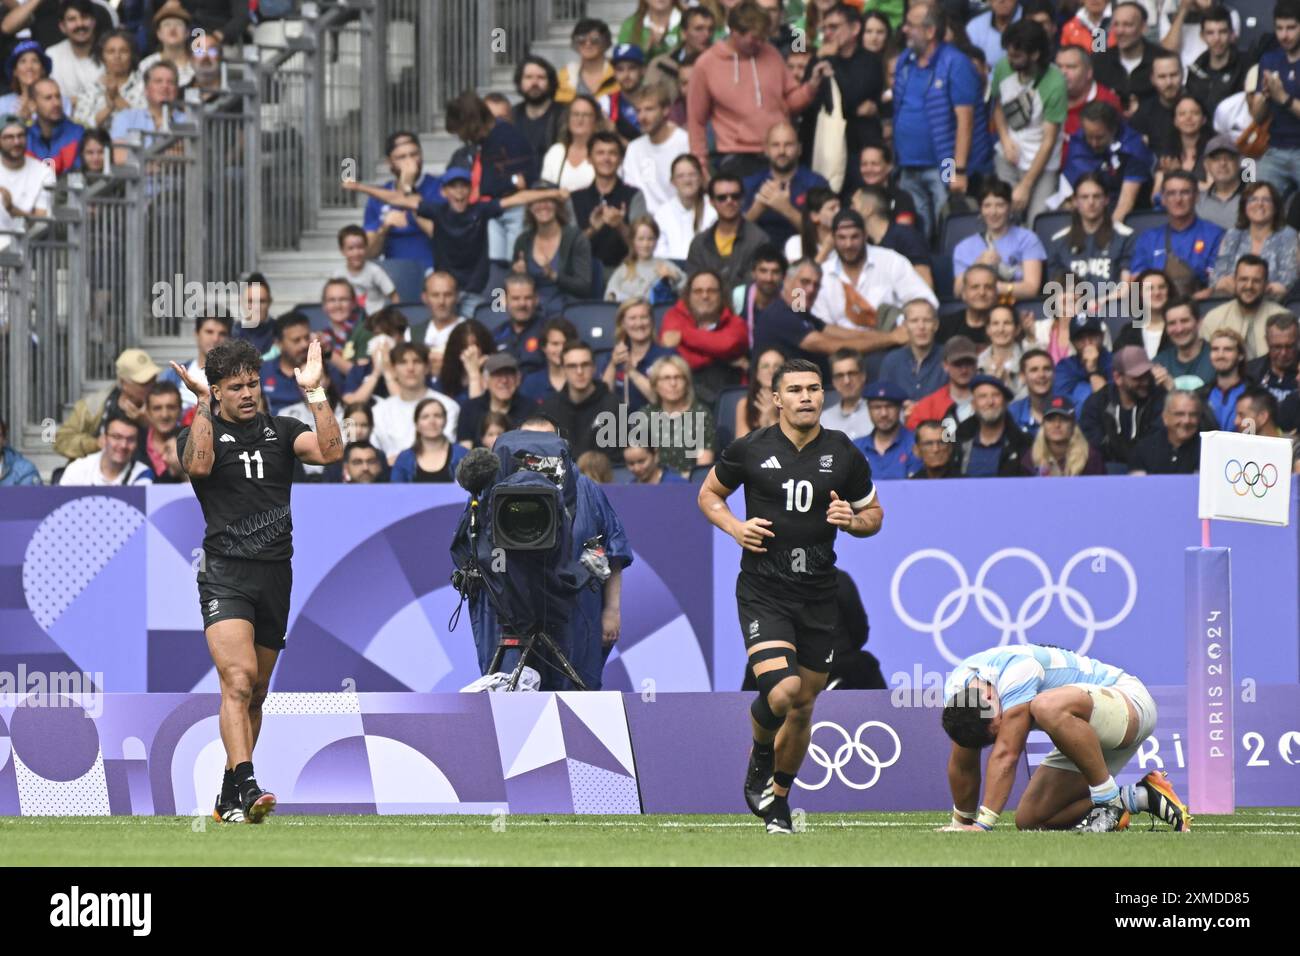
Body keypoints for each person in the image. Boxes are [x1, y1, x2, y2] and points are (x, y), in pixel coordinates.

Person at [700, 357, 883, 834]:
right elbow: (708, 496)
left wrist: (853, 521)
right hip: (765, 589)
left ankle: (778, 799)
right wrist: (735, 527)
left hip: (819, 592)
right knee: (783, 692)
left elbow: (874, 516)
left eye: (814, 389)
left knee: (804, 705)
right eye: (796, 389)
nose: (806, 397)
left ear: (824, 396)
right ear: (776, 399)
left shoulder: (844, 453)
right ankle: (761, 754)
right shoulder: (749, 449)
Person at [171, 337, 342, 824]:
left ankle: (228, 793)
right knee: (238, 679)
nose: (247, 394)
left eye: (252, 384)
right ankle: (248, 785)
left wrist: (315, 392)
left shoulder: (282, 430)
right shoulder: (201, 432)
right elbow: (198, 465)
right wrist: (201, 404)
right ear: (217, 392)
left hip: (275, 574)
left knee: (258, 691)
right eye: (235, 387)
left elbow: (330, 452)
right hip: (224, 574)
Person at [940, 643, 1189, 832]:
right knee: (1031, 819)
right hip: (1083, 735)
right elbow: (963, 762)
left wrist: (984, 824)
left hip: (1129, 704)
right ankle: (1141, 796)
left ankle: (1108, 802)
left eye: (1001, 722)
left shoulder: (1016, 672)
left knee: (1045, 706)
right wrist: (962, 823)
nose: (1004, 728)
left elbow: (1006, 754)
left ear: (990, 699)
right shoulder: (957, 695)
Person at [346, 169, 568, 319]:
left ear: (471, 190)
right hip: (446, 291)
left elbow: (518, 199)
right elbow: (397, 199)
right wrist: (359, 187)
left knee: (471, 338)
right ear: (444, 191)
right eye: (454, 186)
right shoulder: (436, 210)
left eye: (464, 186)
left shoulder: (481, 210)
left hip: (474, 290)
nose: (459, 191)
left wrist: (554, 193)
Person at [687, 0, 828, 179]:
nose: (760, 43)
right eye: (755, 38)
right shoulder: (706, 64)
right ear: (735, 32)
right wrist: (699, 162)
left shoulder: (790, 38)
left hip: (779, 153)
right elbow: (696, 120)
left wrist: (811, 85)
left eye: (763, 37)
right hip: (736, 157)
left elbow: (790, 99)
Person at [893, 1, 990, 240]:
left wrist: (957, 170)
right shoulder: (905, 60)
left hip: (943, 164)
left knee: (944, 223)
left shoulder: (955, 64)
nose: (904, 29)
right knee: (915, 232)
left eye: (910, 25)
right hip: (907, 164)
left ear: (929, 31)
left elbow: (965, 121)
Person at [443, 90, 541, 266]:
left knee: (515, 265)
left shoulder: (507, 136)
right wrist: (507, 182)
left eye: (460, 130)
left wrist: (507, 182)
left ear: (470, 123)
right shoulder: (484, 142)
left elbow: (527, 177)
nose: (460, 137)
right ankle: (497, 295)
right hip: (493, 209)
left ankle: (510, 295)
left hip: (515, 209)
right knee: (495, 267)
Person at [803, 4, 886, 196]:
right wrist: (818, 59)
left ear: (855, 29)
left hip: (857, 150)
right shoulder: (819, 57)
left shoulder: (870, 60)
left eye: (834, 27)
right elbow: (809, 100)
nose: (828, 33)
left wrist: (831, 61)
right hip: (823, 148)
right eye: (825, 28)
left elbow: (850, 97)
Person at [990, 20, 1065, 225]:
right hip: (1009, 156)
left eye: (1017, 56)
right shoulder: (1002, 68)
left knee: (1037, 222)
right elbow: (998, 107)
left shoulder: (1055, 82)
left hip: (1042, 163)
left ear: (1035, 55)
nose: (1010, 60)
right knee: (1003, 219)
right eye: (1009, 54)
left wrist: (1026, 184)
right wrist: (1005, 140)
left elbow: (1049, 140)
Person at [812, 210, 935, 334]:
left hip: (891, 345)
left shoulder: (891, 261)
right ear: (833, 239)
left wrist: (903, 324)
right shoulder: (822, 273)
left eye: (854, 237)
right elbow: (804, 315)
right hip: (839, 347)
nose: (848, 244)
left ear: (865, 236)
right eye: (842, 238)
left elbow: (925, 299)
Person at [1127, 172, 1224, 299]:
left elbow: (1217, 285)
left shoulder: (1215, 235)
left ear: (1196, 196)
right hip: (1155, 307)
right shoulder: (1148, 238)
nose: (1178, 199)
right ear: (1162, 199)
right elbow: (1136, 281)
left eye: (1185, 192)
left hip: (1200, 307)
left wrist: (1184, 304)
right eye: (1171, 193)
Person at [659, 268, 749, 402]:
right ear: (688, 295)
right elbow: (676, 358)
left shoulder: (736, 323)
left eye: (711, 291)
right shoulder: (673, 316)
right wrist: (722, 358)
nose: (705, 296)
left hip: (726, 397)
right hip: (682, 396)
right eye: (698, 291)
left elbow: (726, 345)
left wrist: (683, 336)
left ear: (721, 295)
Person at [54, 346, 158, 460]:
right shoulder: (94, 406)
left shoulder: (162, 405)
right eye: (143, 382)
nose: (150, 386)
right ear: (124, 383)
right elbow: (61, 440)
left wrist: (150, 424)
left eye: (153, 379)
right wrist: (95, 444)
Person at [1060, 101, 1153, 225]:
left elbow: (1125, 204)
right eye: (1089, 137)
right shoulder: (1079, 140)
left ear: (1113, 129)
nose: (1093, 143)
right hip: (1089, 212)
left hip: (1128, 215)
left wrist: (1109, 238)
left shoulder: (1133, 148)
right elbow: (1070, 197)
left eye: (1099, 137)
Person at [952, 178, 1046, 301]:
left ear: (1010, 207)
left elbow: (1031, 288)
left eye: (1000, 205)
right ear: (981, 210)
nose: (993, 212)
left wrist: (993, 289)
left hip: (1017, 309)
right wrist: (977, 265)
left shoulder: (1027, 239)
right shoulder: (964, 247)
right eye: (987, 206)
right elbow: (958, 292)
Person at [1044, 172, 1135, 296]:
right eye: (1084, 197)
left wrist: (1099, 303)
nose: (1091, 202)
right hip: (1073, 311)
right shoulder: (1058, 241)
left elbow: (1126, 288)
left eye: (1096, 196)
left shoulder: (1125, 237)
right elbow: (1056, 290)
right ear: (1075, 201)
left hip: (1112, 310)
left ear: (1106, 200)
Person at [361, 132, 441, 272]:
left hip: (434, 273)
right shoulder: (378, 197)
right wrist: (384, 227)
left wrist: (408, 190)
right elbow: (368, 253)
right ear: (389, 162)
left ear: (421, 155)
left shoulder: (439, 188)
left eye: (414, 154)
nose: (409, 162)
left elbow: (441, 236)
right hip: (395, 274)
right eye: (401, 157)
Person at [741, 121, 828, 250]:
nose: (782, 151)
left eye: (788, 145)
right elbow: (732, 235)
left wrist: (786, 209)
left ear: (799, 149)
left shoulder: (816, 183)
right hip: (758, 256)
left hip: (804, 256)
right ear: (766, 150)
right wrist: (757, 208)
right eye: (776, 145)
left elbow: (824, 237)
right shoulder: (750, 184)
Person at [369, 343, 461, 461]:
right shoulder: (378, 411)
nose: (410, 368)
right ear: (393, 369)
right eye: (403, 362)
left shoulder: (448, 406)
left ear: (427, 367)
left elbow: (445, 447)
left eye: (417, 362)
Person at [572, 130, 648, 271]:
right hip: (584, 275)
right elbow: (569, 248)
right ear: (589, 158)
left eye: (612, 153)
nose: (606, 158)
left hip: (626, 272)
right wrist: (593, 229)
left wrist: (620, 225)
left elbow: (643, 247)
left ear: (620, 159)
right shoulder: (575, 198)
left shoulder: (634, 195)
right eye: (600, 153)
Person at [1210, 182, 1299, 301]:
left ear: (1275, 207)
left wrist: (1246, 288)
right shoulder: (1233, 234)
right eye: (1253, 199)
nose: (1259, 204)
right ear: (1244, 206)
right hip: (1232, 302)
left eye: (1266, 200)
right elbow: (1217, 278)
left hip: (1274, 304)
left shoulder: (1288, 235)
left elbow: (1288, 281)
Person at [1247, 0, 1300, 202]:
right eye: (1279, 28)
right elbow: (1258, 118)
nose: (1284, 35)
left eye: (1291, 28)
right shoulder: (1269, 59)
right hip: (1275, 149)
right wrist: (1265, 97)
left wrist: (1283, 99)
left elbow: (1284, 100)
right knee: (1254, 199)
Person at [513, 188, 595, 318]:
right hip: (531, 314)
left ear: (558, 206)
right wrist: (518, 275)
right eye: (537, 201)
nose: (543, 205)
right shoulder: (523, 240)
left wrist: (555, 276)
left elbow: (584, 287)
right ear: (529, 207)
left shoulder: (575, 238)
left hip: (566, 313)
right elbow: (508, 288)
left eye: (548, 200)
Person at [1080, 344, 1166, 466]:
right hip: (1108, 474)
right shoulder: (1097, 403)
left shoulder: (1159, 399)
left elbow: (1158, 444)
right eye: (1137, 377)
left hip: (1150, 471)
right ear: (1117, 377)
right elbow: (1094, 445)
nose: (1145, 382)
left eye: (1147, 374)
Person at [1201, 254, 1294, 360]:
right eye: (1243, 279)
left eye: (1256, 281)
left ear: (1266, 284)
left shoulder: (1284, 318)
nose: (1249, 286)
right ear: (1235, 281)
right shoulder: (1214, 319)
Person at [541, 340, 622, 460]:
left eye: (585, 365)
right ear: (563, 370)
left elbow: (617, 460)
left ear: (594, 367)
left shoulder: (613, 406)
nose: (579, 371)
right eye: (572, 366)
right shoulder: (549, 409)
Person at [639, 352, 717, 475]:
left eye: (678, 377)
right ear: (655, 384)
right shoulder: (645, 415)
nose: (673, 384)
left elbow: (703, 469)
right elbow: (641, 465)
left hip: (691, 486)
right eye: (666, 378)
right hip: (653, 487)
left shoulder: (701, 413)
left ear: (687, 383)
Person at [621, 84, 689, 215]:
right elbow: (631, 191)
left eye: (649, 109)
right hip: (645, 225)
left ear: (665, 110)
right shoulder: (634, 149)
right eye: (638, 111)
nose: (642, 117)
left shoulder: (684, 142)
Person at [600, 297, 675, 412]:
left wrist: (631, 371)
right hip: (617, 426)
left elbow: (663, 400)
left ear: (652, 321)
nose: (639, 323)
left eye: (644, 317)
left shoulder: (668, 357)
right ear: (623, 324)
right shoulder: (612, 358)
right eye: (632, 318)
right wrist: (613, 365)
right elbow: (602, 399)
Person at [108, 61, 190, 165]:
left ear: (176, 90)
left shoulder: (188, 121)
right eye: (158, 81)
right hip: (137, 181)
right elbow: (119, 157)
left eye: (170, 82)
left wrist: (139, 159)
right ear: (146, 89)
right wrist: (164, 159)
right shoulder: (126, 117)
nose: (165, 86)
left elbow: (189, 157)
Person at [850, 185, 933, 285]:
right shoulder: (864, 245)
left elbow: (925, 284)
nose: (849, 210)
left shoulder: (906, 237)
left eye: (853, 205)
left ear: (867, 209)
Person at [1055, 45, 1122, 165]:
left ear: (1089, 72)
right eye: (1059, 67)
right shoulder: (1049, 97)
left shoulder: (1107, 101)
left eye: (1071, 67)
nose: (1063, 72)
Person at [953, 375, 1030, 476]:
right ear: (973, 405)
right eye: (982, 396)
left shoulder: (1024, 444)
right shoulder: (958, 441)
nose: (990, 402)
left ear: (1005, 402)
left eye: (996, 395)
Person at [1093, 2, 1160, 114]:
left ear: (1143, 27)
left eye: (1127, 25)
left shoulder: (1160, 60)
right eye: (1116, 25)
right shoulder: (1099, 61)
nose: (1120, 31)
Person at [456, 352, 533, 447]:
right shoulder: (470, 409)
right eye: (498, 374)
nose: (504, 380)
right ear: (485, 380)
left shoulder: (530, 408)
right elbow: (464, 450)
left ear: (518, 379)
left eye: (509, 374)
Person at [73, 27, 144, 130]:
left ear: (132, 55)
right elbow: (80, 128)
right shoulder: (91, 89)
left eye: (123, 51)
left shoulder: (145, 86)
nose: (117, 56)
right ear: (102, 57)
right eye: (110, 52)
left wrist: (116, 98)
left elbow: (145, 125)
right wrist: (108, 108)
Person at [1184, 7, 1248, 119]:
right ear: (1202, 36)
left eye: (1222, 32)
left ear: (1231, 34)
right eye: (1210, 33)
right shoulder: (1195, 70)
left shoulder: (1245, 66)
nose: (1217, 38)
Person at [160, 314, 231, 413]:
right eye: (209, 332)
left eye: (222, 334)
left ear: (229, 338)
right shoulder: (174, 375)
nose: (215, 339)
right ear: (196, 334)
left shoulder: (233, 377)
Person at [58, 412, 155, 485]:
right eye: (117, 437)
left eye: (131, 439)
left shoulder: (142, 473)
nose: (123, 445)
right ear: (104, 438)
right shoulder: (78, 469)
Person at [906, 335, 980, 430]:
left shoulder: (990, 400)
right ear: (945, 365)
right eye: (957, 363)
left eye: (969, 363)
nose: (964, 370)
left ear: (976, 364)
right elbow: (913, 438)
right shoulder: (929, 406)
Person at [604, 217, 685, 303]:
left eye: (650, 239)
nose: (645, 244)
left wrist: (673, 276)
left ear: (656, 240)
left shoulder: (665, 265)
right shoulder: (624, 269)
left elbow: (688, 290)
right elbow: (609, 296)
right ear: (633, 241)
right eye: (641, 239)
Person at [1021, 395, 1105, 475]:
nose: (1057, 425)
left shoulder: (1090, 458)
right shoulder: (1030, 459)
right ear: (1043, 425)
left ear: (1073, 424)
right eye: (1051, 419)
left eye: (1064, 419)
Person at [879, 298, 946, 400]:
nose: (921, 326)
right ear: (905, 326)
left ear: (936, 325)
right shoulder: (892, 362)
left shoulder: (949, 358)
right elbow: (884, 402)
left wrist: (919, 409)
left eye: (927, 320)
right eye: (914, 321)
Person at [852, 381, 921, 478]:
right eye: (877, 407)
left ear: (900, 408)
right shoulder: (856, 447)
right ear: (868, 409)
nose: (884, 413)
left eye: (889, 406)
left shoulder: (916, 443)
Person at [654, 153, 717, 259]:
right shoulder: (662, 213)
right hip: (670, 270)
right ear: (672, 181)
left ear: (701, 178)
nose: (687, 181)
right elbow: (659, 252)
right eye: (680, 176)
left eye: (692, 174)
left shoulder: (713, 209)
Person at [390, 398, 468, 482]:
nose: (432, 421)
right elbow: (395, 492)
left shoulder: (463, 455)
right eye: (425, 417)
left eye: (437, 416)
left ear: (445, 421)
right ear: (416, 424)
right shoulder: (404, 458)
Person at [1150, 94, 1213, 199]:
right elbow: (1155, 197)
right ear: (1175, 121)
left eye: (1195, 113)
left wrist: (1178, 173)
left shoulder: (1213, 150)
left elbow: (1213, 189)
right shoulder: (1168, 153)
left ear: (1204, 119)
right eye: (1182, 114)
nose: (1188, 118)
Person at [1127, 388, 1203, 474]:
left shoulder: (1208, 451)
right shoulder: (1143, 450)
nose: (1186, 421)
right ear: (1165, 417)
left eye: (1193, 415)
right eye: (1179, 414)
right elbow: (1137, 485)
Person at [0, 113, 54, 230]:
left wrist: (11, 209)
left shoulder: (44, 172)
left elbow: (42, 224)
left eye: (21, 136)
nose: (17, 142)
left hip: (27, 245)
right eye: (9, 137)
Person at [45, 0, 102, 109]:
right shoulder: (52, 55)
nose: (80, 24)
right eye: (72, 19)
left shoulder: (111, 53)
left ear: (93, 22)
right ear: (62, 26)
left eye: (84, 17)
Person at [540, 94, 602, 191]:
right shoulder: (556, 151)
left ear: (595, 121)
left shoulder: (603, 152)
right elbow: (545, 190)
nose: (580, 119)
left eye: (586, 115)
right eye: (575, 114)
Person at [1128, 49, 1184, 156]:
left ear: (1182, 75)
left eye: (1173, 75)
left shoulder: (1197, 106)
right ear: (1153, 79)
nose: (1169, 82)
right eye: (1162, 77)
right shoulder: (1143, 114)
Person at [493, 273, 549, 376]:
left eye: (528, 298)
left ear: (536, 299)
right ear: (504, 300)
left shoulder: (549, 331)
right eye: (515, 298)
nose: (522, 304)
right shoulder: (495, 335)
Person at [1153, 299, 1215, 390]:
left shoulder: (1217, 357)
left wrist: (1173, 388)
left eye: (1185, 321)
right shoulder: (1159, 363)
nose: (1179, 329)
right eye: (1172, 323)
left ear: (1199, 323)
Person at [25, 78, 82, 175]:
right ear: (32, 105)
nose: (56, 103)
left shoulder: (79, 134)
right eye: (48, 98)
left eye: (58, 96)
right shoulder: (24, 138)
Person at [1112, 268, 1173, 357]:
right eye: (1150, 288)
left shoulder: (1179, 328)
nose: (1157, 292)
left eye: (1162, 287)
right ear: (1140, 293)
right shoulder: (1128, 332)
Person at [556, 18, 619, 104]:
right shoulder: (564, 75)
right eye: (581, 40)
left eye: (595, 40)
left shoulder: (618, 73)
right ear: (575, 44)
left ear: (606, 43)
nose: (588, 44)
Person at [512, 55, 564, 159]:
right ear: (520, 82)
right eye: (529, 77)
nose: (534, 83)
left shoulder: (564, 115)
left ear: (550, 82)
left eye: (541, 77)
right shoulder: (512, 115)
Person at [1198, 327, 1250, 430]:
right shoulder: (1199, 395)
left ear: (1240, 355)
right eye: (1215, 349)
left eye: (1227, 349)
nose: (1220, 355)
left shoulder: (1254, 393)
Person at [1244, 313, 1299, 407]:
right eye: (1277, 347)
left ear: (1298, 340)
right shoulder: (1249, 372)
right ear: (1267, 341)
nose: (1283, 353)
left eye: (1289, 346)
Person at [138, 1, 195, 89]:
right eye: (167, 25)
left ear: (187, 33)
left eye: (178, 24)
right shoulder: (147, 65)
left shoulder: (198, 65)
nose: (172, 29)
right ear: (159, 34)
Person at [523, 316, 579, 404]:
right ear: (544, 347)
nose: (561, 349)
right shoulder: (531, 383)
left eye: (566, 343)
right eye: (555, 344)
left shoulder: (582, 377)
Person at [938, 265, 997, 347]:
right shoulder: (945, 326)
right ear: (964, 293)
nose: (982, 292)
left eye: (988, 287)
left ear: (996, 292)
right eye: (975, 287)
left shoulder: (1005, 326)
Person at [136, 381, 183, 483]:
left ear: (180, 410)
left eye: (171, 407)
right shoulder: (134, 443)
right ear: (147, 412)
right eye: (157, 408)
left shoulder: (193, 442)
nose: (164, 415)